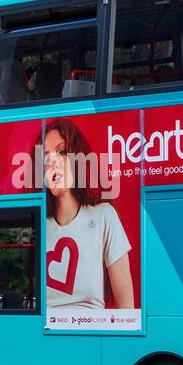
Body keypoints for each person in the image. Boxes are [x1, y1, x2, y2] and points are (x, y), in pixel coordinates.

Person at [40, 119, 134, 312]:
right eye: (46, 158)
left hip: (91, 336)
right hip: (44, 338)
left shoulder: (104, 216)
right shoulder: (39, 224)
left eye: (62, 152)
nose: (53, 163)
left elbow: (127, 309)